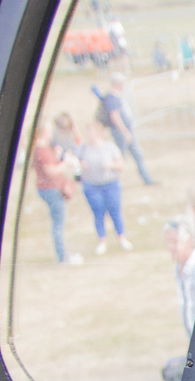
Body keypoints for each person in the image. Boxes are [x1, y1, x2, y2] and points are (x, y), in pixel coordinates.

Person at [76, 121, 130, 253]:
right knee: (98, 213)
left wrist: (110, 165)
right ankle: (102, 241)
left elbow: (121, 164)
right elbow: (75, 165)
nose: (90, 135)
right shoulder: (83, 148)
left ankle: (121, 238)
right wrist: (80, 165)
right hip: (91, 186)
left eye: (92, 132)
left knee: (115, 211)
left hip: (110, 184)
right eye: (88, 132)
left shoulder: (109, 147)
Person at [31, 124, 80, 264]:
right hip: (51, 189)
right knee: (58, 224)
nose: (51, 133)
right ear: (43, 132)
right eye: (49, 130)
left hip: (47, 188)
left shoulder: (42, 149)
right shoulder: (42, 150)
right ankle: (63, 257)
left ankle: (63, 254)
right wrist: (66, 163)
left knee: (58, 223)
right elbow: (51, 171)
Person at [94, 73, 153, 185]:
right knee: (120, 158)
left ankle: (147, 179)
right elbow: (115, 116)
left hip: (126, 131)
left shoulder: (116, 96)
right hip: (120, 132)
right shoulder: (112, 98)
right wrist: (125, 132)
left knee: (137, 155)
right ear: (117, 83)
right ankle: (111, 180)